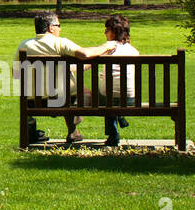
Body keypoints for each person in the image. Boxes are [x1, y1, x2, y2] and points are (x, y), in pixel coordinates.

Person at [18, 12, 115, 145]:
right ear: (51, 28)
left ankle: (31, 129)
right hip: (63, 100)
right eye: (59, 25)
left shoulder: (23, 46)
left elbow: (16, 73)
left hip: (32, 101)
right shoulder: (60, 43)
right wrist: (105, 47)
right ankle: (73, 129)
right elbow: (85, 54)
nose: (60, 28)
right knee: (81, 93)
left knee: (65, 86)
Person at [99, 14, 138, 147]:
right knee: (113, 94)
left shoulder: (107, 49)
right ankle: (120, 115)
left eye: (106, 30)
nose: (105, 33)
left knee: (106, 96)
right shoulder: (133, 51)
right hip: (130, 99)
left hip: (108, 99)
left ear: (114, 31)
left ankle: (113, 134)